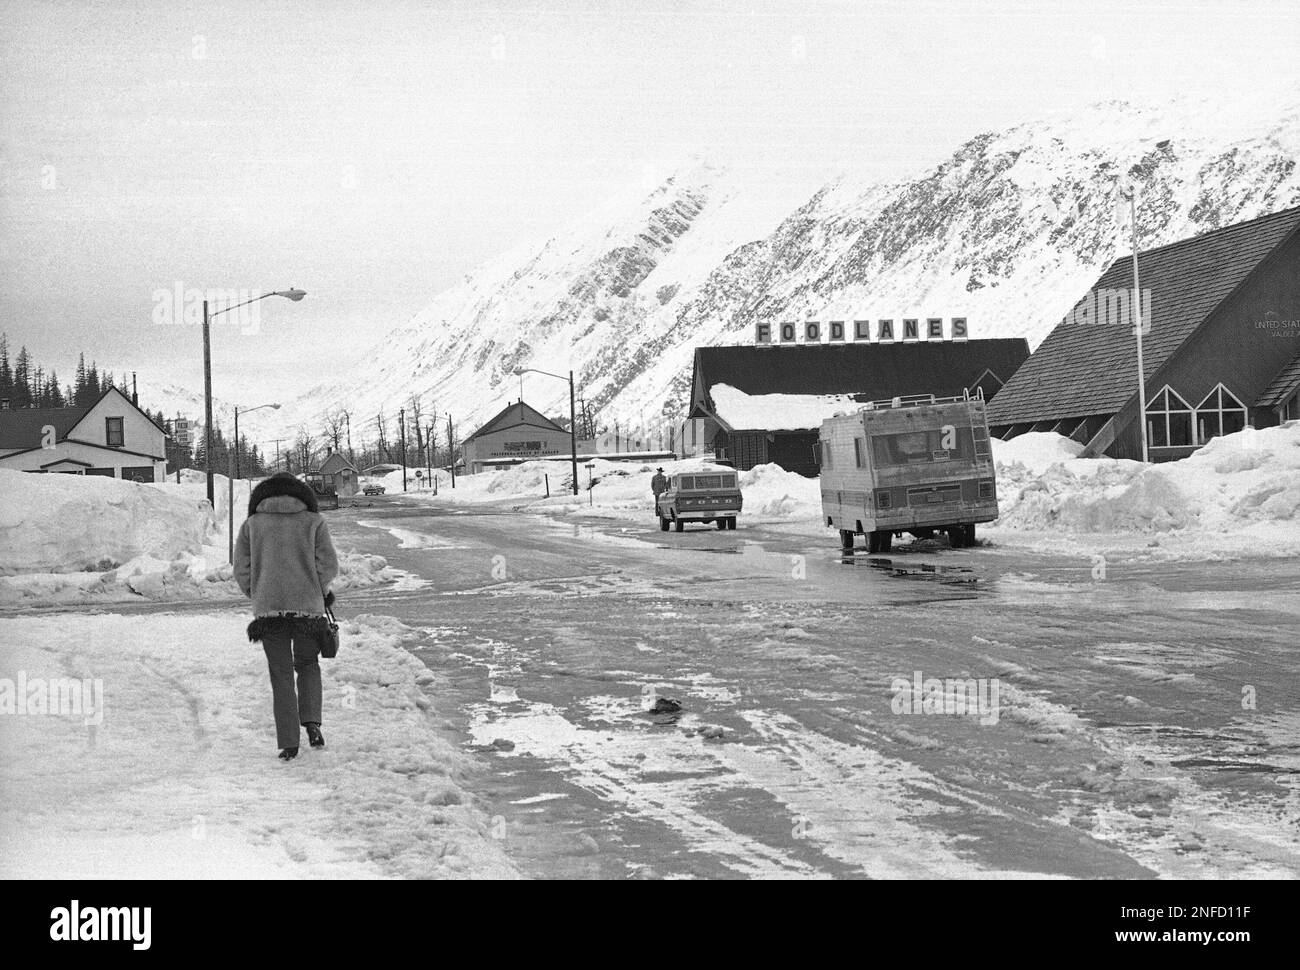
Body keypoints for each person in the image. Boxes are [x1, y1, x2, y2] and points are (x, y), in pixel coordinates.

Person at [234, 472, 339, 761]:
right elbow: (328, 565)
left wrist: (257, 591)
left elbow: (240, 567)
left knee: (280, 674)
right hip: (308, 608)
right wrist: (318, 589)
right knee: (307, 664)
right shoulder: (314, 522)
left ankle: (289, 743)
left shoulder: (252, 525)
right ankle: (313, 724)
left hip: (269, 609)